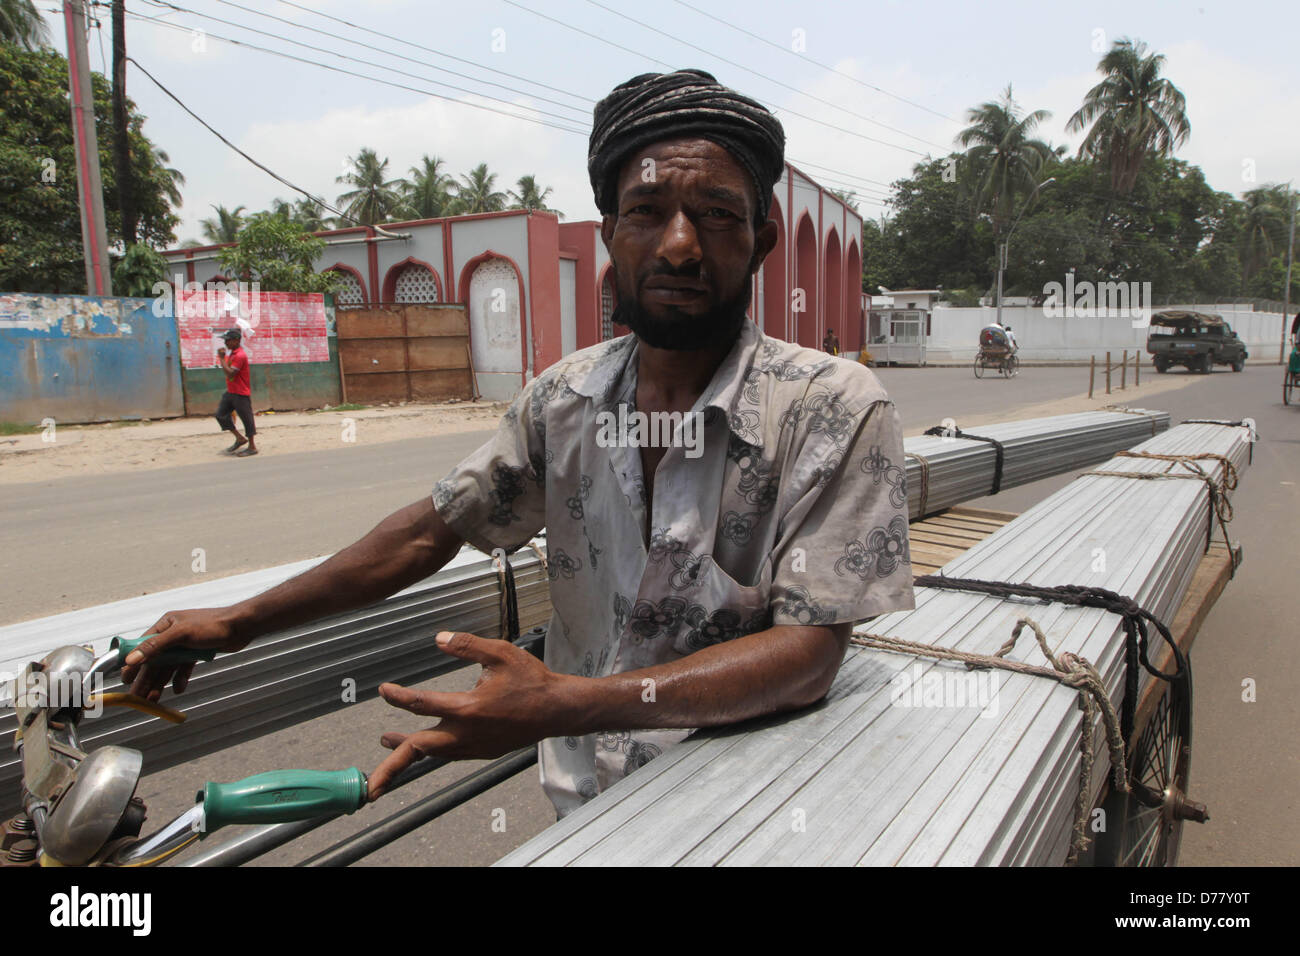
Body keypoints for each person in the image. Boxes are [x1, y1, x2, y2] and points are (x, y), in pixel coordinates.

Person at [123, 68, 915, 818]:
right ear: (610, 234)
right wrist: (241, 620)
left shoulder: (832, 408)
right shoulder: (565, 398)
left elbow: (809, 653)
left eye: (717, 213)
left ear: (762, 239)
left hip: (747, 810)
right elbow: (432, 528)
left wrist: (561, 703)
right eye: (646, 212)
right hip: (584, 800)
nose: (680, 245)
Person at [214, 329, 257, 457]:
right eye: (225, 340)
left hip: (240, 393)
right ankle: (239, 438)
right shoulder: (232, 354)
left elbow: (231, 373)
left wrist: (221, 359)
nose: (226, 343)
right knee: (220, 415)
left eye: (228, 340)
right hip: (231, 391)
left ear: (236, 341)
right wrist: (223, 359)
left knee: (247, 419)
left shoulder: (240, 355)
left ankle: (252, 446)